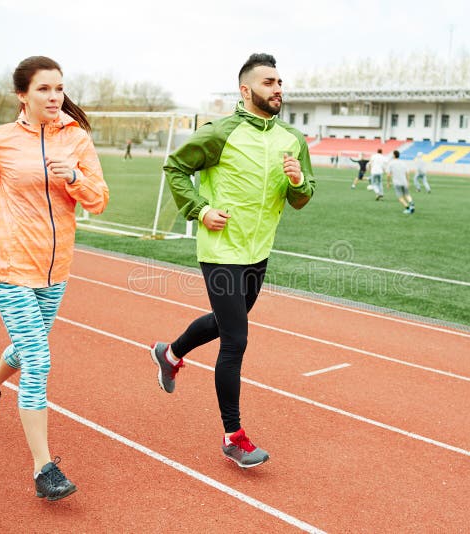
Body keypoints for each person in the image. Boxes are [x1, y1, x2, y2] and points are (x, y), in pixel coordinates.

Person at [0, 55, 109, 501]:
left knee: (26, 350)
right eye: (44, 88)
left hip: (56, 269)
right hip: (10, 266)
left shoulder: (76, 138)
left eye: (59, 88)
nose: (54, 96)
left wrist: (75, 177)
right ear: (22, 94)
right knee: (38, 360)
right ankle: (44, 469)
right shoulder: (1, 140)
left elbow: (99, 201)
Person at [153, 53, 315, 469]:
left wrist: (298, 181)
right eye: (268, 83)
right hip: (221, 249)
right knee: (235, 339)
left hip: (258, 250)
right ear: (246, 90)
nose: (277, 89)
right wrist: (200, 210)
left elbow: (302, 198)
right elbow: (175, 167)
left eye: (279, 82)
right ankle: (233, 437)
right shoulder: (220, 133)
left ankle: (170, 354)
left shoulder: (292, 139)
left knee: (226, 322)